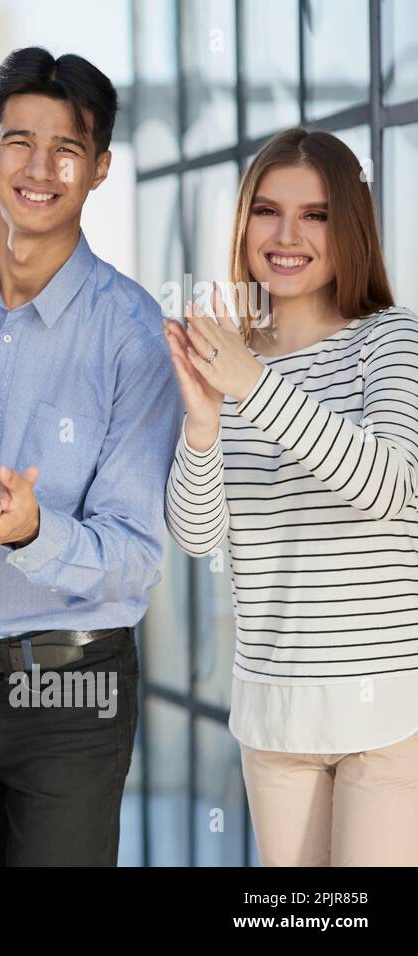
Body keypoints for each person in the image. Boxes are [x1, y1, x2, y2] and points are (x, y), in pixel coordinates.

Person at [0, 47, 181, 866]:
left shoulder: (132, 333)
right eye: (19, 141)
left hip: (71, 689)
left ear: (101, 169)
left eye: (68, 149)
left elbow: (133, 555)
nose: (39, 168)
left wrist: (30, 529)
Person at [163, 127, 418, 866]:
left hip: (386, 713)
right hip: (274, 716)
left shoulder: (391, 340)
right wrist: (204, 424)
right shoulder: (230, 359)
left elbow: (387, 487)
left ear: (352, 227)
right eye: (267, 210)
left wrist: (250, 383)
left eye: (316, 214)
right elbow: (198, 535)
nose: (286, 235)